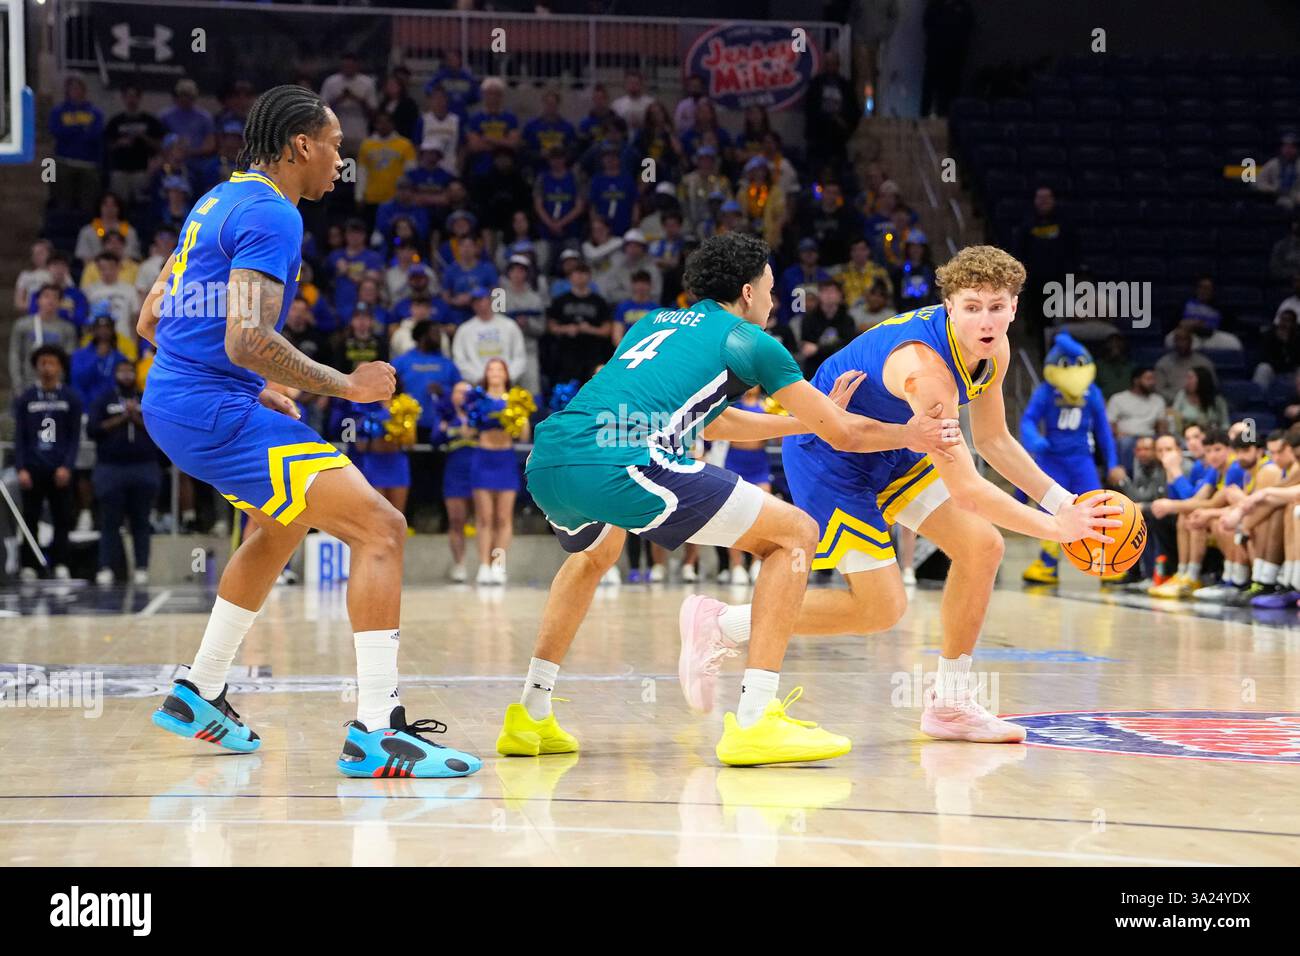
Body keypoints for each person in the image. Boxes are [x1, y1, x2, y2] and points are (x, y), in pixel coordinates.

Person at [504, 231, 964, 766]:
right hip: (621, 462)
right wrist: (913, 434)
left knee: (593, 555)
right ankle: (755, 720)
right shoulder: (750, 341)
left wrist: (800, 421)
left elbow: (713, 421)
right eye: (770, 288)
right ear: (748, 292)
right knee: (795, 534)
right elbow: (844, 435)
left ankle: (529, 713)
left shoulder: (652, 323)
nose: (773, 299)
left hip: (552, 456)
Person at [137, 84, 480, 777]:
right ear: (301, 145)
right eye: (335, 147)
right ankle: (379, 730)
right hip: (210, 408)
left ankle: (200, 690)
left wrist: (259, 382)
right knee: (381, 528)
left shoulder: (216, 201)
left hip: (174, 399)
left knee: (282, 524)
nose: (340, 161)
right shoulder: (272, 214)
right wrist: (347, 384)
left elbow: (151, 321)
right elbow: (246, 337)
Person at [689, 244, 1118, 746]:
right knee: (881, 609)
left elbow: (995, 441)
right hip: (832, 452)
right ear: (949, 306)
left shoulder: (993, 349)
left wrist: (1063, 502)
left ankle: (951, 705)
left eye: (997, 307)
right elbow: (969, 490)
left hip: (897, 443)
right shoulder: (928, 375)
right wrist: (1054, 529)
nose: (986, 319)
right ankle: (724, 625)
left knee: (983, 546)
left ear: (1014, 307)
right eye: (972, 307)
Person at [86, 358, 159, 585]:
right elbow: (93, 429)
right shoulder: (104, 400)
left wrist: (135, 417)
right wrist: (121, 418)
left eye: (130, 371)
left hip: (143, 466)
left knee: (141, 521)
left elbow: (157, 429)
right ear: (115, 374)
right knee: (109, 521)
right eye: (122, 371)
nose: (126, 375)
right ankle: (106, 567)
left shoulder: (146, 398)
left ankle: (141, 567)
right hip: (111, 468)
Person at [13, 346, 81, 580]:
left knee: (62, 516)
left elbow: (74, 438)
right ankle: (29, 564)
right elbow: (19, 436)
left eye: (52, 363)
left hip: (59, 467)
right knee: (30, 516)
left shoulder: (70, 398)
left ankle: (61, 561)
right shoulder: (26, 398)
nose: (47, 368)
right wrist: (21, 467)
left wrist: (67, 466)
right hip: (33, 467)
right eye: (43, 363)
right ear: (36, 366)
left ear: (60, 367)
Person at [470, 358, 527, 585]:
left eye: (499, 369)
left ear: (506, 373)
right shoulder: (477, 399)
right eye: (490, 369)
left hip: (505, 458)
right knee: (484, 518)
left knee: (504, 518)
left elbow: (523, 436)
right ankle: (483, 565)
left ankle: (499, 565)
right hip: (483, 457)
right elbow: (469, 429)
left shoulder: (515, 399)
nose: (495, 373)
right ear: (486, 374)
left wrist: (518, 417)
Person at [437, 381, 476, 583]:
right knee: (456, 520)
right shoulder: (446, 416)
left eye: (466, 392)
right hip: (454, 472)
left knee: (486, 521)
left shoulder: (482, 414)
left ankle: (490, 564)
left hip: (479, 471)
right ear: (452, 396)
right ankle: (459, 564)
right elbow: (435, 439)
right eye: (458, 392)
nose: (462, 395)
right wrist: (444, 429)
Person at [10, 285, 79, 393]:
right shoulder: (22, 325)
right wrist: (18, 384)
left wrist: (59, 384)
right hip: (27, 384)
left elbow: (68, 359)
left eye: (55, 297)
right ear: (38, 300)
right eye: (46, 296)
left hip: (56, 386)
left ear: (60, 302)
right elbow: (15, 355)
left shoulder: (67, 329)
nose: (50, 301)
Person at [452, 286, 527, 384]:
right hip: (478, 384)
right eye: (475, 301)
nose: (479, 304)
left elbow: (520, 356)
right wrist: (478, 378)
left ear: (490, 300)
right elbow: (459, 360)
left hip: (507, 383)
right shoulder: (464, 329)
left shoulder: (509, 325)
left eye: (482, 299)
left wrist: (508, 377)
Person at [1106, 367, 1167, 464]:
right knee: (1126, 443)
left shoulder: (1158, 400)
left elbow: (1161, 426)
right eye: (1148, 379)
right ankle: (1127, 477)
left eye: (1153, 379)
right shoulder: (1118, 399)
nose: (1152, 382)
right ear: (1136, 381)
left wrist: (1163, 438)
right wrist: (1117, 434)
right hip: (1127, 437)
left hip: (1150, 436)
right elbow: (1110, 423)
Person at [1172, 367, 1230, 432]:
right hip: (1186, 436)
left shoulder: (1218, 400)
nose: (1186, 381)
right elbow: (1174, 419)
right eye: (1186, 378)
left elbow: (1225, 424)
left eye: (1190, 378)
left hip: (1212, 436)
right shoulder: (1181, 395)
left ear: (1202, 380)